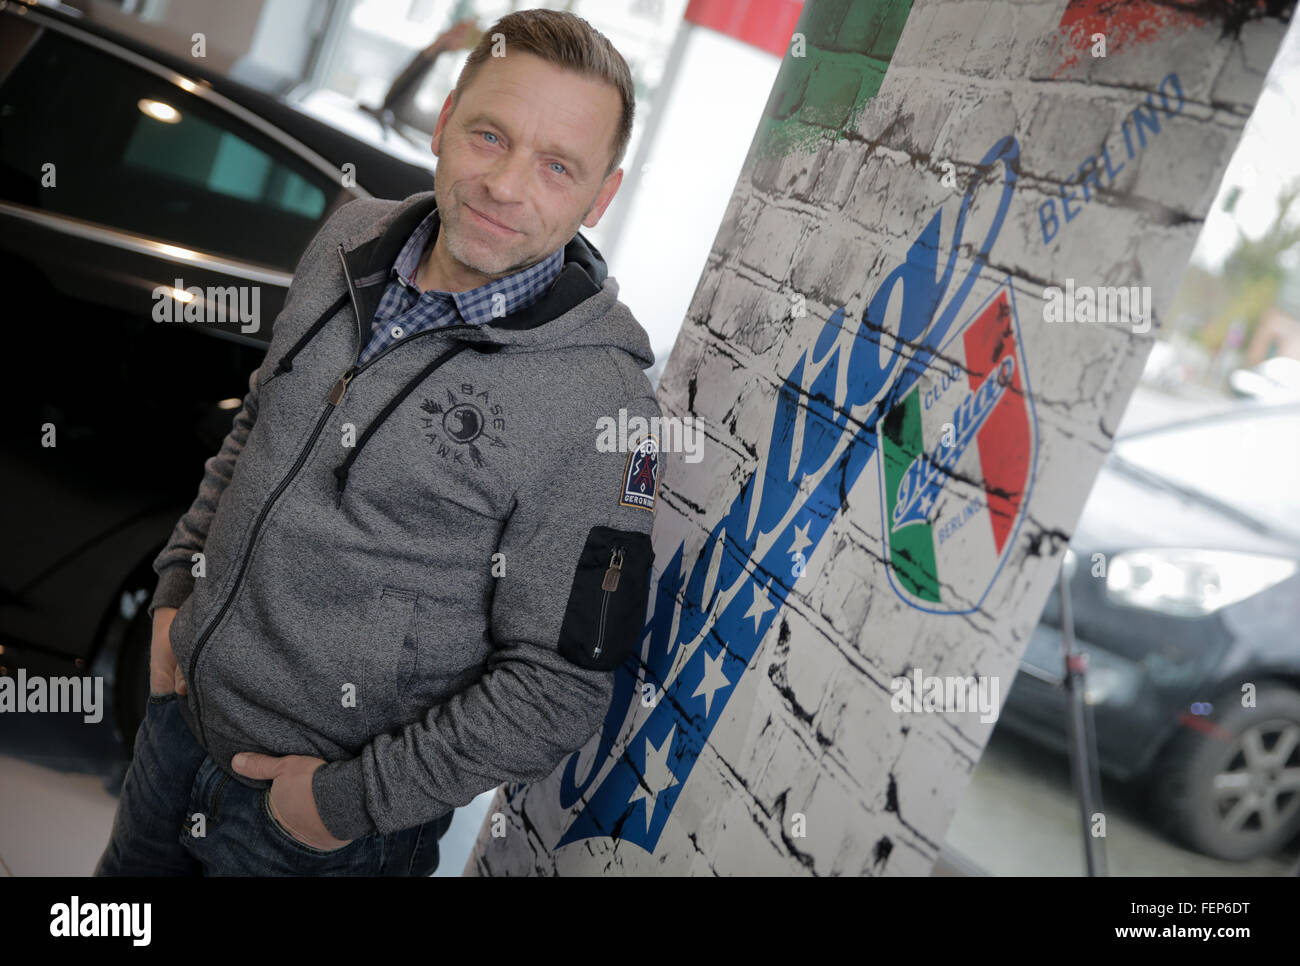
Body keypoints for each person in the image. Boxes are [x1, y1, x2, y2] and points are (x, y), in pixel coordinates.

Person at [95, 7, 661, 876]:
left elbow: (559, 684)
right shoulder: (349, 238)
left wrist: (339, 806)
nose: (507, 185)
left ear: (600, 196)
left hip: (321, 838)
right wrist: (178, 597)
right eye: (488, 135)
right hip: (178, 731)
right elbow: (259, 424)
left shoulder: (603, 407)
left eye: (557, 166)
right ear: (442, 124)